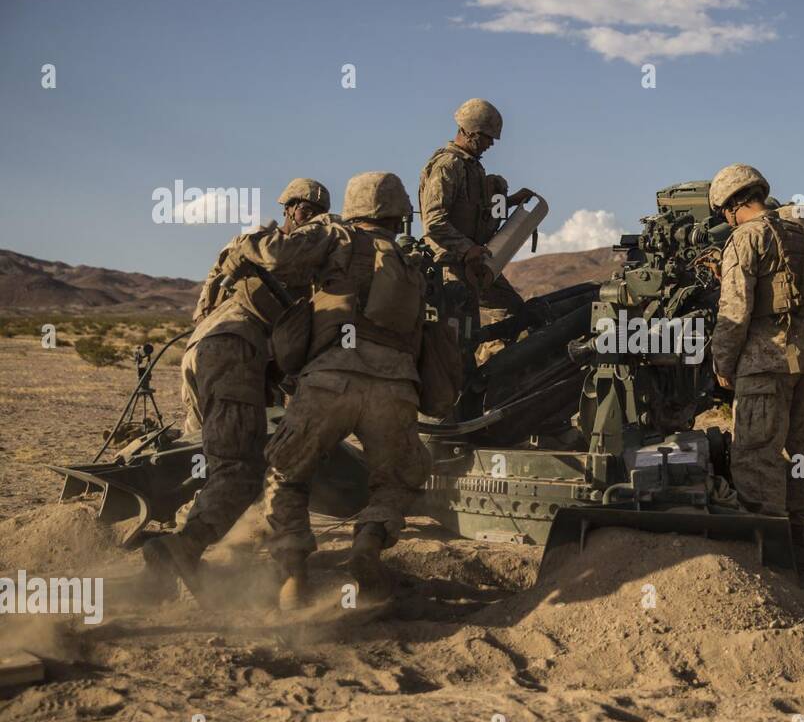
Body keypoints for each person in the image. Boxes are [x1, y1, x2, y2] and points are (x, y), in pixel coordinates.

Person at [220, 172, 432, 610]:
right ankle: (368, 546)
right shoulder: (410, 263)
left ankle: (293, 576)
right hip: (395, 385)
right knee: (396, 480)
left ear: (354, 208)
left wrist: (247, 242)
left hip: (331, 377)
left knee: (287, 473)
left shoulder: (337, 236)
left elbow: (277, 255)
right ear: (397, 213)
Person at [141, 179, 334, 598]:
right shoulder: (271, 248)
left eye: (316, 212)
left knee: (219, 463)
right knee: (239, 471)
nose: (310, 217)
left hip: (209, 352)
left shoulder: (251, 249)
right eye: (303, 210)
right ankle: (180, 549)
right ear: (289, 209)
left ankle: (178, 563)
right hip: (232, 353)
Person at [709, 164, 804, 571]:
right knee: (798, 453)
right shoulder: (800, 234)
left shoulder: (747, 237)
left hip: (763, 364)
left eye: (724, 211)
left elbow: (734, 309)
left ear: (733, 205)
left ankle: (770, 563)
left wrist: (722, 360)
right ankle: (800, 553)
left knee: (756, 456)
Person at [417, 98, 534, 361]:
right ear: (468, 132)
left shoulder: (472, 166)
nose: (490, 144)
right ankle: (463, 393)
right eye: (486, 137)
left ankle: (492, 373)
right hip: (451, 266)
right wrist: (467, 249)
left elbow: (477, 212)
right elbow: (434, 221)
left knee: (514, 311)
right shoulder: (448, 166)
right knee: (461, 341)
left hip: (476, 263)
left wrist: (511, 201)